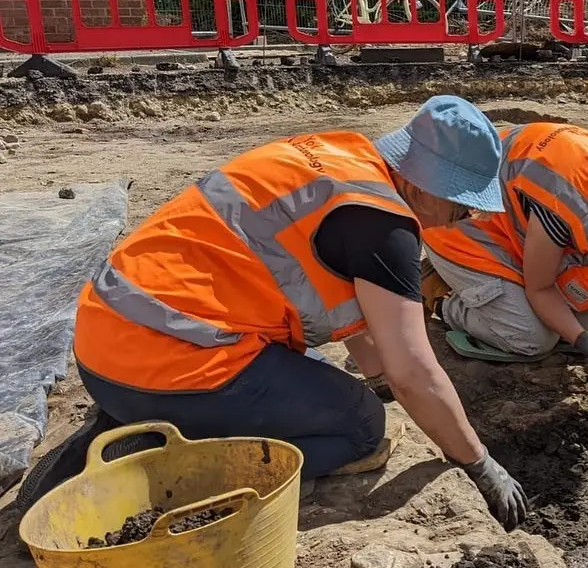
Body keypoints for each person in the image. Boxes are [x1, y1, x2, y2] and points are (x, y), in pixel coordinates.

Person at [18, 96, 528, 530]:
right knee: (361, 428)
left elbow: (353, 312)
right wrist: (478, 463)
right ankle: (166, 462)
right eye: (463, 206)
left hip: (108, 342)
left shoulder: (334, 158)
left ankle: (127, 425)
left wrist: (377, 377)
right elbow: (414, 371)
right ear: (423, 184)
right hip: (171, 364)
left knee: (329, 386)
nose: (470, 218)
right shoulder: (385, 225)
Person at [422, 124, 588, 359]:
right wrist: (583, 344)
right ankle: (441, 293)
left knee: (587, 323)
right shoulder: (566, 202)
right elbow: (540, 289)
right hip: (457, 230)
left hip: (510, 227)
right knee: (533, 339)